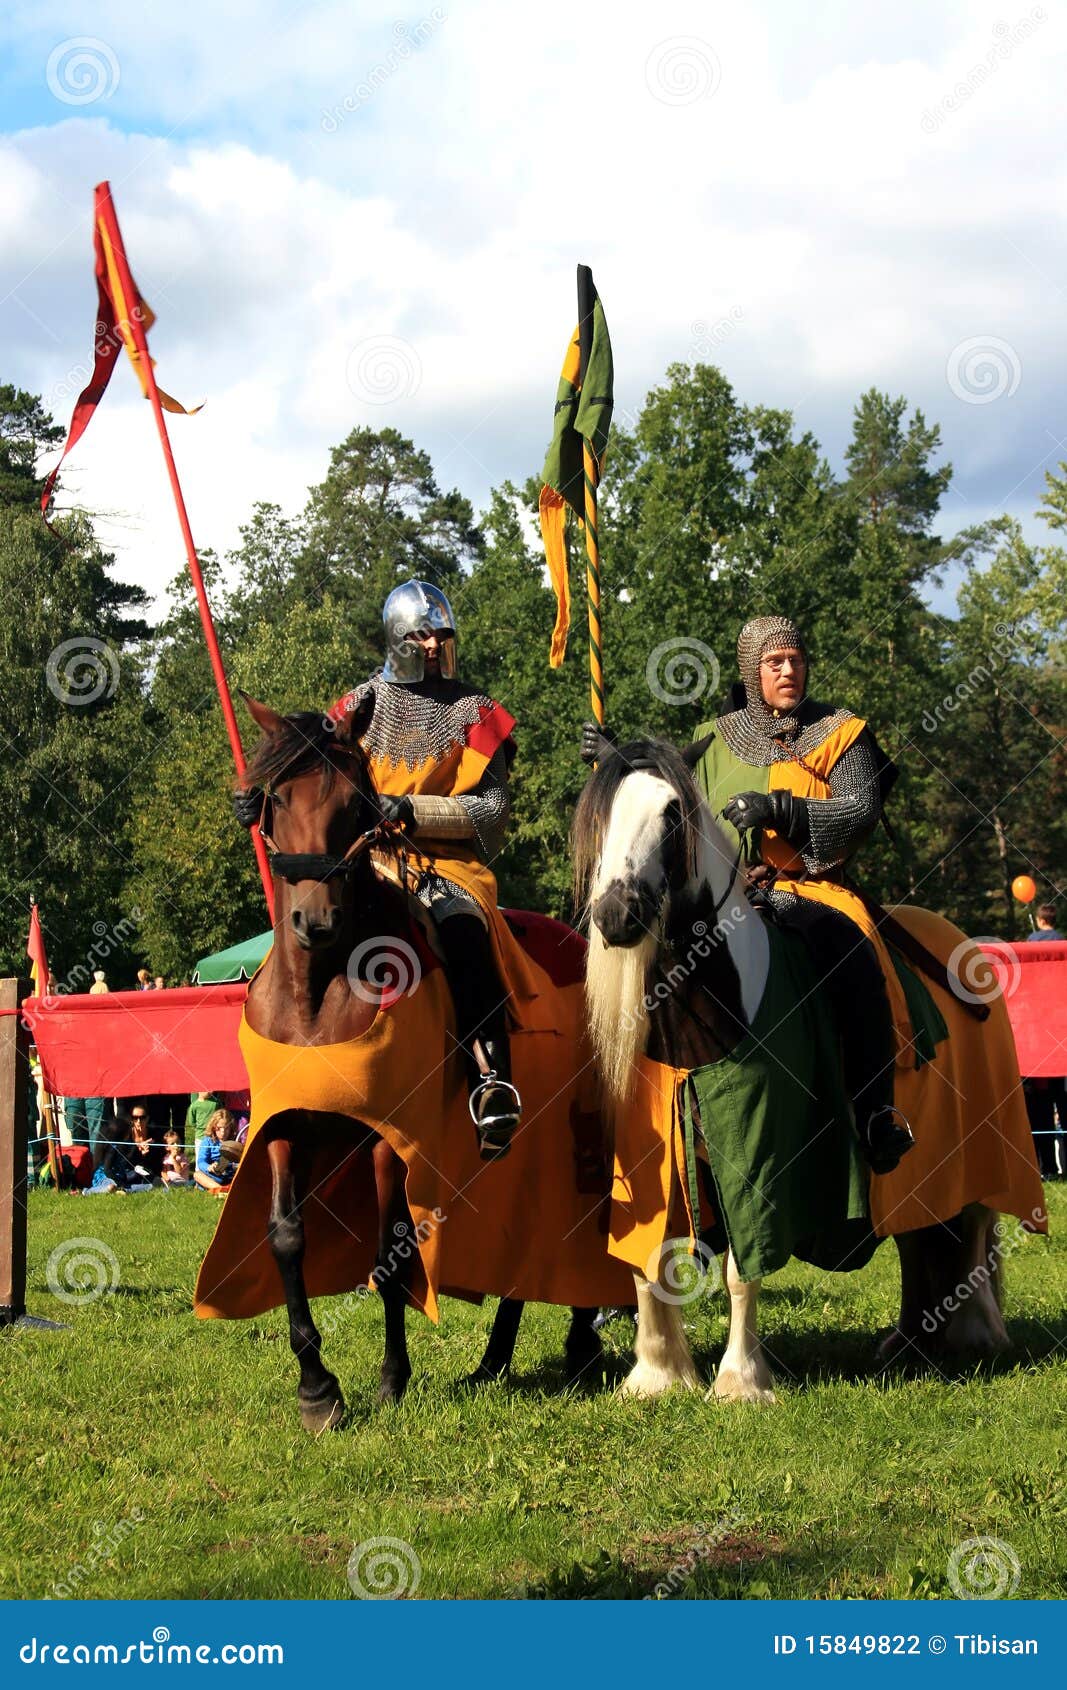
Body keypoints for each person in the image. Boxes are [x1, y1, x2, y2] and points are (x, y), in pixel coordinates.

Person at [583, 614, 923, 1174]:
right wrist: (616, 760)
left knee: (854, 957)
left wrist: (786, 810)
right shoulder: (716, 741)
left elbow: (861, 811)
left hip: (813, 891)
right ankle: (649, 1118)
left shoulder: (841, 733)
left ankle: (875, 1114)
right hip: (732, 895)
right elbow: (665, 796)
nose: (789, 670)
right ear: (752, 671)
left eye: (796, 659)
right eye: (775, 662)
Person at [236, 579, 524, 1160]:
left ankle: (491, 1080)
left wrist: (413, 811)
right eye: (424, 636)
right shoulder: (354, 708)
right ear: (398, 640)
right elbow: (309, 780)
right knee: (302, 932)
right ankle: (282, 1075)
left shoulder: (478, 714)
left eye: (444, 636)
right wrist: (260, 803)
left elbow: (494, 811)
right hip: (362, 857)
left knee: (464, 929)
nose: (437, 647)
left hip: (445, 864)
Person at [194, 1108, 236, 1196]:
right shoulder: (208, 1141)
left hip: (230, 1176)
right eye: (219, 1128)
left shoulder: (235, 1141)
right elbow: (201, 1161)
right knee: (197, 1174)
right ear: (213, 1126)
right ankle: (221, 1191)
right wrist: (209, 1167)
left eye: (226, 1128)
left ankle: (219, 1190)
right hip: (214, 1176)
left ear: (231, 1127)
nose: (223, 1132)